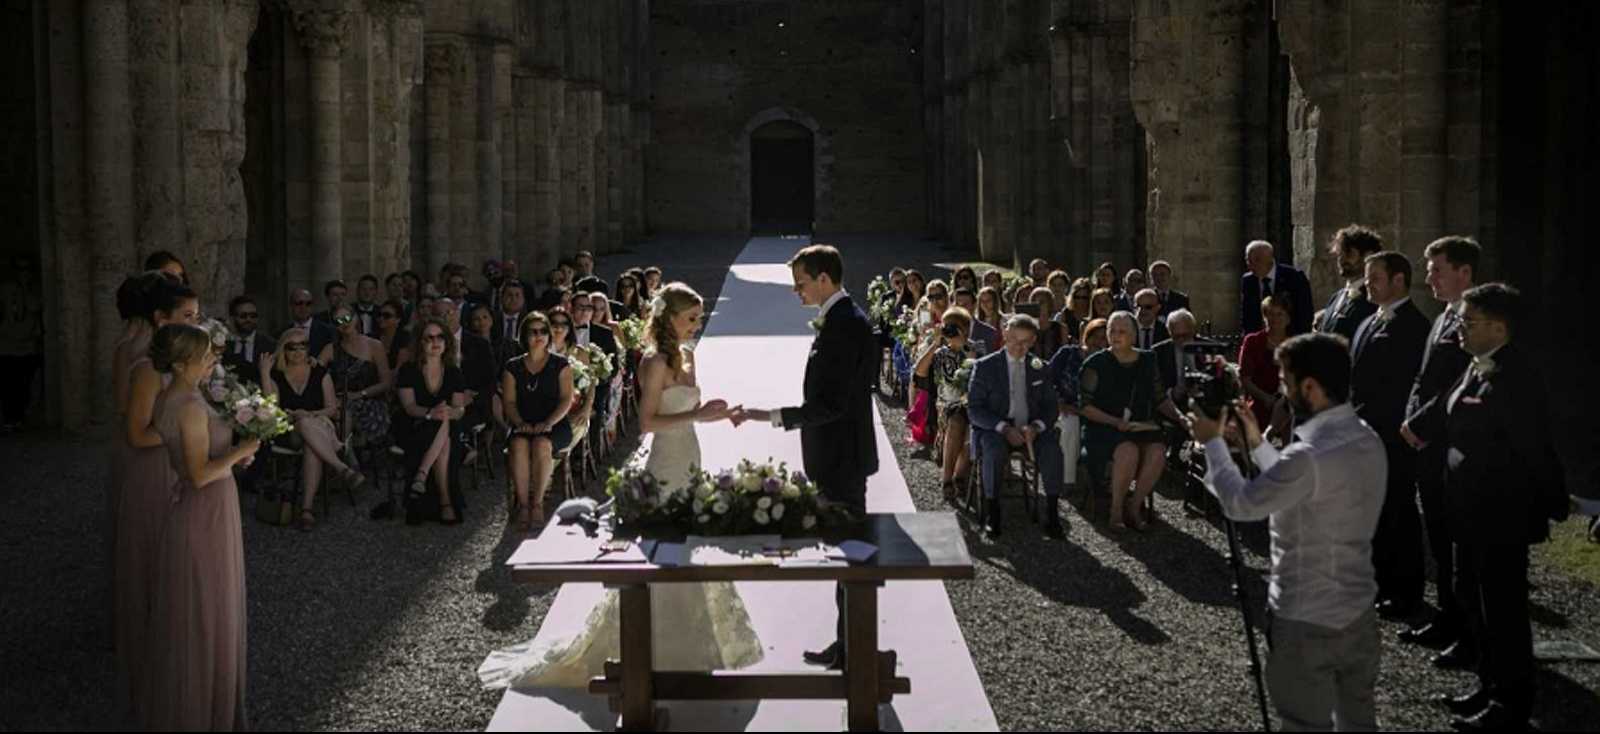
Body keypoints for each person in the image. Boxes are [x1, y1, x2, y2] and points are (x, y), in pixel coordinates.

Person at [485, 286, 764, 691]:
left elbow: (688, 414)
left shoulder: (689, 356)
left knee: (688, 546)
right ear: (669, 318)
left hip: (691, 456)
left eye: (699, 318)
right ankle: (645, 644)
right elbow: (648, 424)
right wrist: (697, 414)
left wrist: (713, 415)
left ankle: (688, 646)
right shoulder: (653, 362)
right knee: (661, 550)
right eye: (691, 318)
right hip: (666, 462)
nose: (697, 325)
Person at [1184, 332, 1385, 732]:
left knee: (1303, 723)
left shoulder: (1307, 456)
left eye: (1285, 381)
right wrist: (1256, 441)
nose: (1280, 390)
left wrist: (1212, 445)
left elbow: (1242, 504)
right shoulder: (1367, 438)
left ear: (1309, 387)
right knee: (1359, 720)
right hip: (1359, 610)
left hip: (1307, 616)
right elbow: (1301, 487)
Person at [1403, 283, 1566, 731]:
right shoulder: (1474, 367)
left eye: (1469, 322)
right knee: (1470, 597)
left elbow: (1532, 446)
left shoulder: (1517, 375)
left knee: (1503, 610)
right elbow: (1449, 412)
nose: (1459, 329)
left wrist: (1549, 501)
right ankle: (1488, 682)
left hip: (1500, 512)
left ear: (1498, 327)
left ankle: (1511, 702)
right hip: (1468, 508)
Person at [730, 245, 879, 671]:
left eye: (801, 284)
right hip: (835, 455)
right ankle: (848, 645)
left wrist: (769, 416)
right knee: (845, 559)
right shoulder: (839, 321)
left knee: (852, 559)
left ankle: (857, 654)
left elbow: (831, 404)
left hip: (841, 459)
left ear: (825, 279)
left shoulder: (846, 326)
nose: (796, 292)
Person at [139, 324, 259, 730]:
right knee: (206, 615)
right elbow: (198, 475)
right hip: (204, 511)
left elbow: (205, 457)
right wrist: (243, 449)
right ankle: (203, 713)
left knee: (206, 611)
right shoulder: (187, 404)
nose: (212, 360)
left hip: (206, 508)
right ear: (180, 361)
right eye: (205, 355)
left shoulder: (176, 396)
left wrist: (230, 455)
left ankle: (213, 706)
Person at [113, 274, 194, 715]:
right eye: (186, 317)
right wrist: (183, 435)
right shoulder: (145, 366)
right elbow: (137, 432)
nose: (195, 325)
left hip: (178, 462)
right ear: (160, 319)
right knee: (153, 552)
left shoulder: (181, 361)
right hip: (156, 468)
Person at [1397, 235, 1480, 650]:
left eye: (1437, 270)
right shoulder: (1443, 316)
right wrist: (1409, 418)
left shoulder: (1473, 320)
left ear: (1464, 272)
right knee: (1440, 538)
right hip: (1426, 442)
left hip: (1449, 444)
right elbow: (1423, 376)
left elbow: (1456, 384)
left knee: (1456, 542)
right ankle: (1447, 618)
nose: (1428, 278)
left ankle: (1466, 630)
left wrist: (1422, 424)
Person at [1349, 251, 1430, 619]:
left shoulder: (1414, 327)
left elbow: (1407, 387)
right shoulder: (1369, 321)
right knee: (1374, 512)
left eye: (1375, 277)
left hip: (1392, 435)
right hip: (1364, 432)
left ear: (1399, 280)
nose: (1368, 284)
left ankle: (1407, 591)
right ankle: (1380, 583)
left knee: (1399, 510)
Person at [966, 314, 1067, 537]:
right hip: (997, 427)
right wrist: (1003, 427)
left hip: (1031, 428)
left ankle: (1052, 513)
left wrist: (1037, 427)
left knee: (1052, 450)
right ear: (1005, 335)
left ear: (1033, 341)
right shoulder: (985, 366)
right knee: (993, 450)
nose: (1018, 347)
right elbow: (974, 409)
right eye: (1013, 340)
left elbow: (1051, 407)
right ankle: (993, 512)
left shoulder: (1040, 367)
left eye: (1025, 342)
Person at [1079, 312, 1182, 530]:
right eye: (1111, 331)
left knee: (1156, 450)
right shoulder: (1095, 363)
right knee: (1128, 450)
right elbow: (1085, 407)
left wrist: (1181, 418)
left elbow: (1160, 398)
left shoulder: (1147, 360)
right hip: (1104, 427)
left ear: (1134, 335)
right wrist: (1115, 422)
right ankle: (1115, 510)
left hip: (1139, 426)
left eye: (1122, 331)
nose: (1115, 335)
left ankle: (1134, 507)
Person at [262, 327, 366, 531]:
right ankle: (340, 467)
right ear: (283, 349)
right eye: (292, 347)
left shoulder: (319, 373)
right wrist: (264, 374)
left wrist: (307, 414)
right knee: (303, 423)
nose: (299, 351)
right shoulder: (276, 374)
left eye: (304, 346)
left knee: (311, 444)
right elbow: (269, 410)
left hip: (317, 431)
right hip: (288, 431)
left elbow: (332, 409)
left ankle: (306, 510)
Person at [500, 311, 576, 531]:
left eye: (543, 331)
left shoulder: (560, 364)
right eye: (533, 332)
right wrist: (519, 422)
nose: (539, 335)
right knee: (519, 444)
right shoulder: (512, 367)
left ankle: (538, 503)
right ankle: (523, 505)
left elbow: (566, 399)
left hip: (555, 423)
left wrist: (549, 422)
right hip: (523, 421)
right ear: (524, 336)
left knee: (542, 444)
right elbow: (510, 402)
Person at [393, 318, 466, 525]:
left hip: (445, 424)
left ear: (447, 342)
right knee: (442, 428)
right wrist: (430, 413)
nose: (436, 342)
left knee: (444, 423)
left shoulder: (453, 371)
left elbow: (460, 409)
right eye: (429, 338)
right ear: (420, 343)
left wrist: (446, 413)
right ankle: (445, 502)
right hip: (414, 424)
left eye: (440, 337)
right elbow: (409, 407)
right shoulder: (408, 369)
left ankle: (421, 477)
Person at [328, 304, 393, 453]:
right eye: (338, 322)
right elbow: (314, 372)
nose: (343, 324)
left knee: (345, 414)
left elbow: (386, 383)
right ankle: (349, 463)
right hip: (340, 402)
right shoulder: (331, 348)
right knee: (339, 415)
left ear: (355, 318)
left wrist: (359, 394)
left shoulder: (374, 345)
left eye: (346, 318)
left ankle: (346, 464)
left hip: (371, 402)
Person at [931, 307, 979, 501]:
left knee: (971, 427)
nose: (950, 330)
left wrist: (964, 347)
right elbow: (921, 372)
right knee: (958, 421)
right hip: (948, 404)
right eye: (947, 326)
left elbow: (978, 375)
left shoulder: (976, 348)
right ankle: (947, 478)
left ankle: (959, 475)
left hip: (972, 403)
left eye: (955, 327)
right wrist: (935, 342)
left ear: (966, 329)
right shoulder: (940, 352)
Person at [1048, 318, 1097, 493]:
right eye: (1094, 336)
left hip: (1094, 412)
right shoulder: (1067, 353)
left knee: (1077, 421)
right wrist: (1058, 401)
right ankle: (1067, 479)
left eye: (1102, 337)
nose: (1098, 341)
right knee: (1070, 423)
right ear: (1085, 336)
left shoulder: (1107, 361)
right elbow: (1047, 379)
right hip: (1063, 408)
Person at [1315, 225, 1382, 340]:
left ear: (1367, 256)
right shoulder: (1336, 298)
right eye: (1340, 254)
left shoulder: (1374, 299)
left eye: (1349, 254)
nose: (1342, 260)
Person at [1238, 296, 1293, 429]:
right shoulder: (1252, 342)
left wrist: (1284, 401)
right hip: (1259, 402)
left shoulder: (1295, 344)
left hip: (1288, 402)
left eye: (1280, 314)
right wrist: (1266, 398)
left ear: (1288, 318)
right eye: (1270, 314)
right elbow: (1245, 379)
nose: (1274, 318)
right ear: (1264, 317)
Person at [0, 264, 43, 431]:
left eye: (27, 269)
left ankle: (20, 418)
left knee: (24, 385)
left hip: (27, 348)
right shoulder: (5, 289)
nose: (24, 273)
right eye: (20, 269)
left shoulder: (34, 291)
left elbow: (35, 307)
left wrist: (24, 290)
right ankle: (10, 419)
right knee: (9, 385)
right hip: (7, 346)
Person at [1240, 240, 1314, 335]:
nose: (1250, 265)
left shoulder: (1294, 278)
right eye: (1248, 260)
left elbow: (1305, 314)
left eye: (1257, 260)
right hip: (1260, 341)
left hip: (1289, 338)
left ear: (1270, 260)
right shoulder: (1248, 281)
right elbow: (1247, 317)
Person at [223, 295, 275, 387]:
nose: (249, 319)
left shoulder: (269, 345)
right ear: (232, 318)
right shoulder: (223, 344)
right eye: (243, 316)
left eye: (253, 316)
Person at [286, 288, 336, 362]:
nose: (303, 307)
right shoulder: (282, 333)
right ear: (291, 305)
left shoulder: (328, 331)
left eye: (308, 304)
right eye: (299, 303)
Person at [1028, 287, 1072, 360]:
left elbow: (1065, 355)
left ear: (1049, 304)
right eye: (1034, 302)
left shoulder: (1061, 328)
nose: (1038, 306)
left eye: (1041, 302)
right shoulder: (1027, 329)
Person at [952, 288, 996, 356]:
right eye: (958, 304)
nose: (961, 308)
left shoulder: (989, 333)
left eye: (965, 304)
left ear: (974, 305)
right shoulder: (947, 331)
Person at [376, 299, 413, 371]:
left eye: (387, 316)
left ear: (398, 319)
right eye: (379, 315)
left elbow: (399, 368)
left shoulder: (405, 338)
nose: (381, 318)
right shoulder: (373, 336)